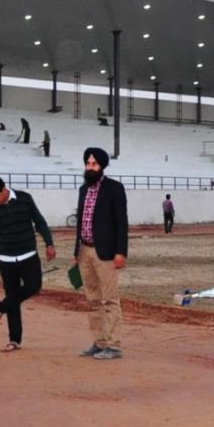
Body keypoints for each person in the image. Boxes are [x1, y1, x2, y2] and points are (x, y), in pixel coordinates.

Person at [0, 175, 56, 353]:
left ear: (4, 189)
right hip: (6, 259)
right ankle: (14, 340)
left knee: (34, 286)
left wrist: (49, 243)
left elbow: (39, 221)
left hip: (29, 255)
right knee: (13, 297)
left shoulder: (24, 199)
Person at [73, 147, 129, 359]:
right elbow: (80, 222)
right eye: (88, 163)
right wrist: (76, 251)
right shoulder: (83, 190)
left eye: (94, 164)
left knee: (110, 300)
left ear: (102, 166)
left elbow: (122, 223)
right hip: (85, 250)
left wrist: (121, 252)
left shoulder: (114, 188)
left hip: (105, 253)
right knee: (92, 300)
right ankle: (99, 342)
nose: (90, 167)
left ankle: (114, 346)